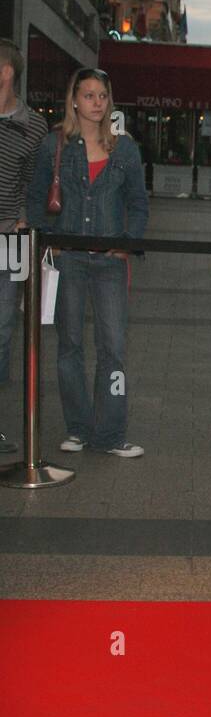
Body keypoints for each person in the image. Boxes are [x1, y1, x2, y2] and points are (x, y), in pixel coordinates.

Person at [27, 67, 149, 456]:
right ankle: (78, 428)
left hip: (110, 261)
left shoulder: (125, 149)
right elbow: (34, 199)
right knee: (70, 346)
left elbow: (138, 203)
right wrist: (48, 240)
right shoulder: (55, 145)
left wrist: (128, 243)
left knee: (113, 348)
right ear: (74, 100)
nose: (97, 102)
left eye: (102, 95)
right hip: (69, 262)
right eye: (89, 95)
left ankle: (111, 433)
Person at [0, 39, 47, 454]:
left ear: (7, 72)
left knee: (2, 331)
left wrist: (22, 219)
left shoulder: (32, 126)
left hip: (8, 239)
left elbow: (34, 180)